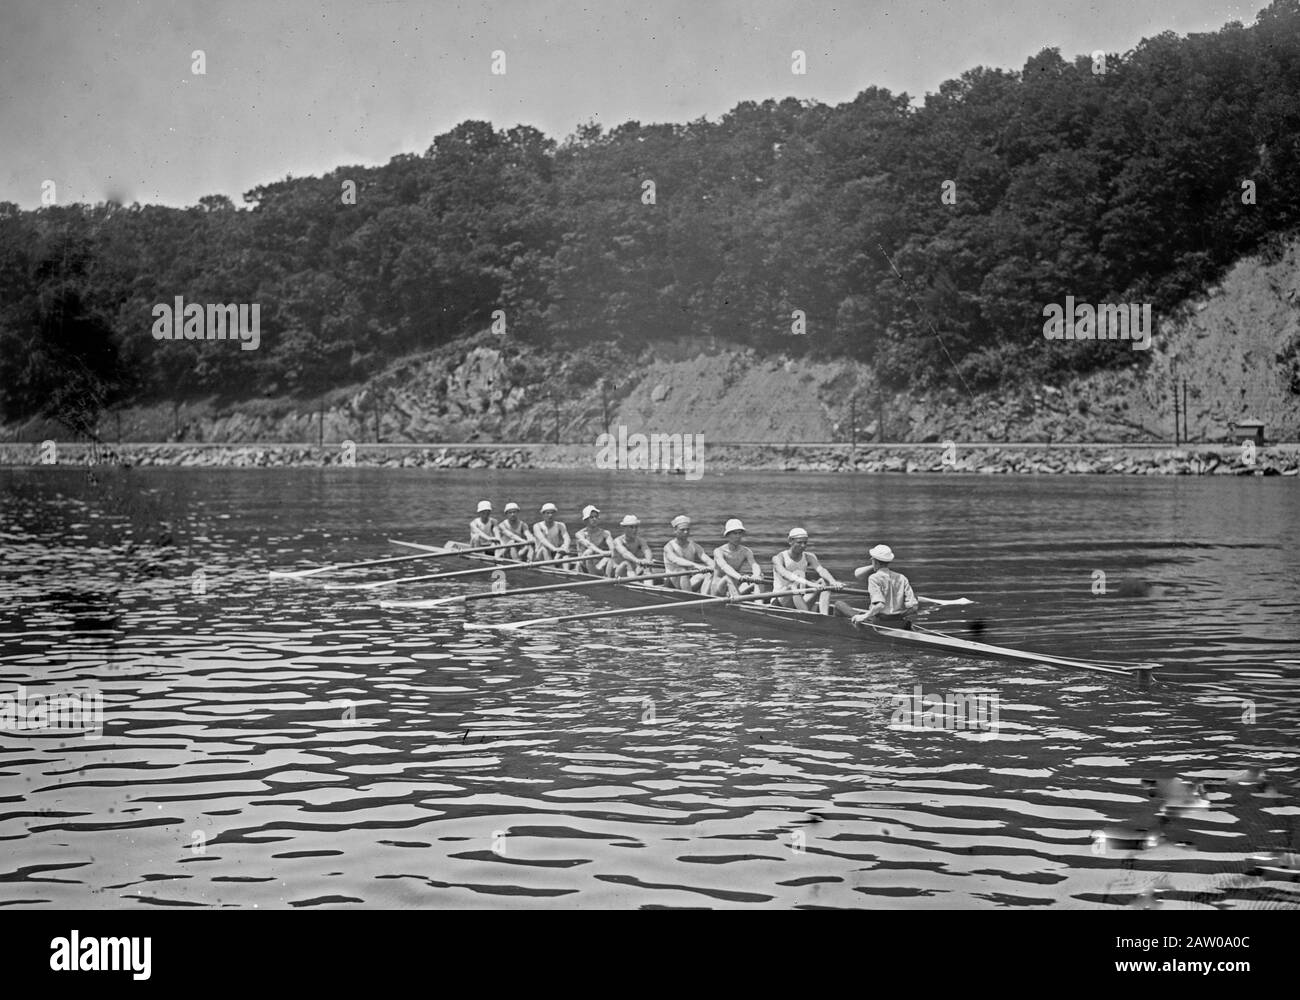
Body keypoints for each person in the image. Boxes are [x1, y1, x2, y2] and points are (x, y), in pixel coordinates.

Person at [835, 544, 918, 628]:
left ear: (875, 561)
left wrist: (863, 617)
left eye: (872, 559)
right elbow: (914, 607)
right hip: (900, 622)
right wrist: (898, 616)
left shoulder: (873, 578)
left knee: (839, 604)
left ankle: (841, 631)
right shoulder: (902, 578)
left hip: (879, 623)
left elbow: (880, 605)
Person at [770, 527, 841, 614]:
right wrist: (809, 583)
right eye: (799, 543)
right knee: (792, 586)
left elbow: (821, 570)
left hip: (800, 599)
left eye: (805, 543)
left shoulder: (809, 556)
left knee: (824, 581)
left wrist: (833, 581)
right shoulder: (778, 558)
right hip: (780, 601)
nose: (803, 546)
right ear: (790, 541)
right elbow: (785, 574)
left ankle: (824, 616)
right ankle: (807, 617)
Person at [710, 519, 763, 596]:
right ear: (727, 535)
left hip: (735, 583)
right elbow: (725, 567)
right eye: (734, 533)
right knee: (729, 577)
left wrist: (756, 575)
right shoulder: (718, 551)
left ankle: (759, 604)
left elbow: (754, 565)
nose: (738, 536)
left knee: (760, 576)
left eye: (740, 533)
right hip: (718, 589)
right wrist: (740, 577)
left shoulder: (746, 551)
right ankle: (738, 603)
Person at [661, 515, 714, 592]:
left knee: (708, 574)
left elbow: (706, 558)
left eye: (687, 529)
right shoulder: (668, 547)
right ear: (675, 530)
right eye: (682, 530)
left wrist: (715, 567)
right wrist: (697, 566)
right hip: (671, 584)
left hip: (687, 582)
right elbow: (676, 560)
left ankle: (704, 597)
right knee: (682, 570)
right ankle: (690, 598)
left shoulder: (694, 545)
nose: (686, 532)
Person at [573, 505, 614, 575]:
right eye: (591, 517)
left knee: (612, 555)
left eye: (596, 517)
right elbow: (589, 545)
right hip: (583, 565)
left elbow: (612, 547)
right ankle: (594, 577)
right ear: (585, 520)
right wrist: (602, 552)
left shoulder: (606, 533)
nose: (594, 519)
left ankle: (608, 579)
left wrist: (613, 552)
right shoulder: (579, 534)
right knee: (589, 551)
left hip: (599, 564)